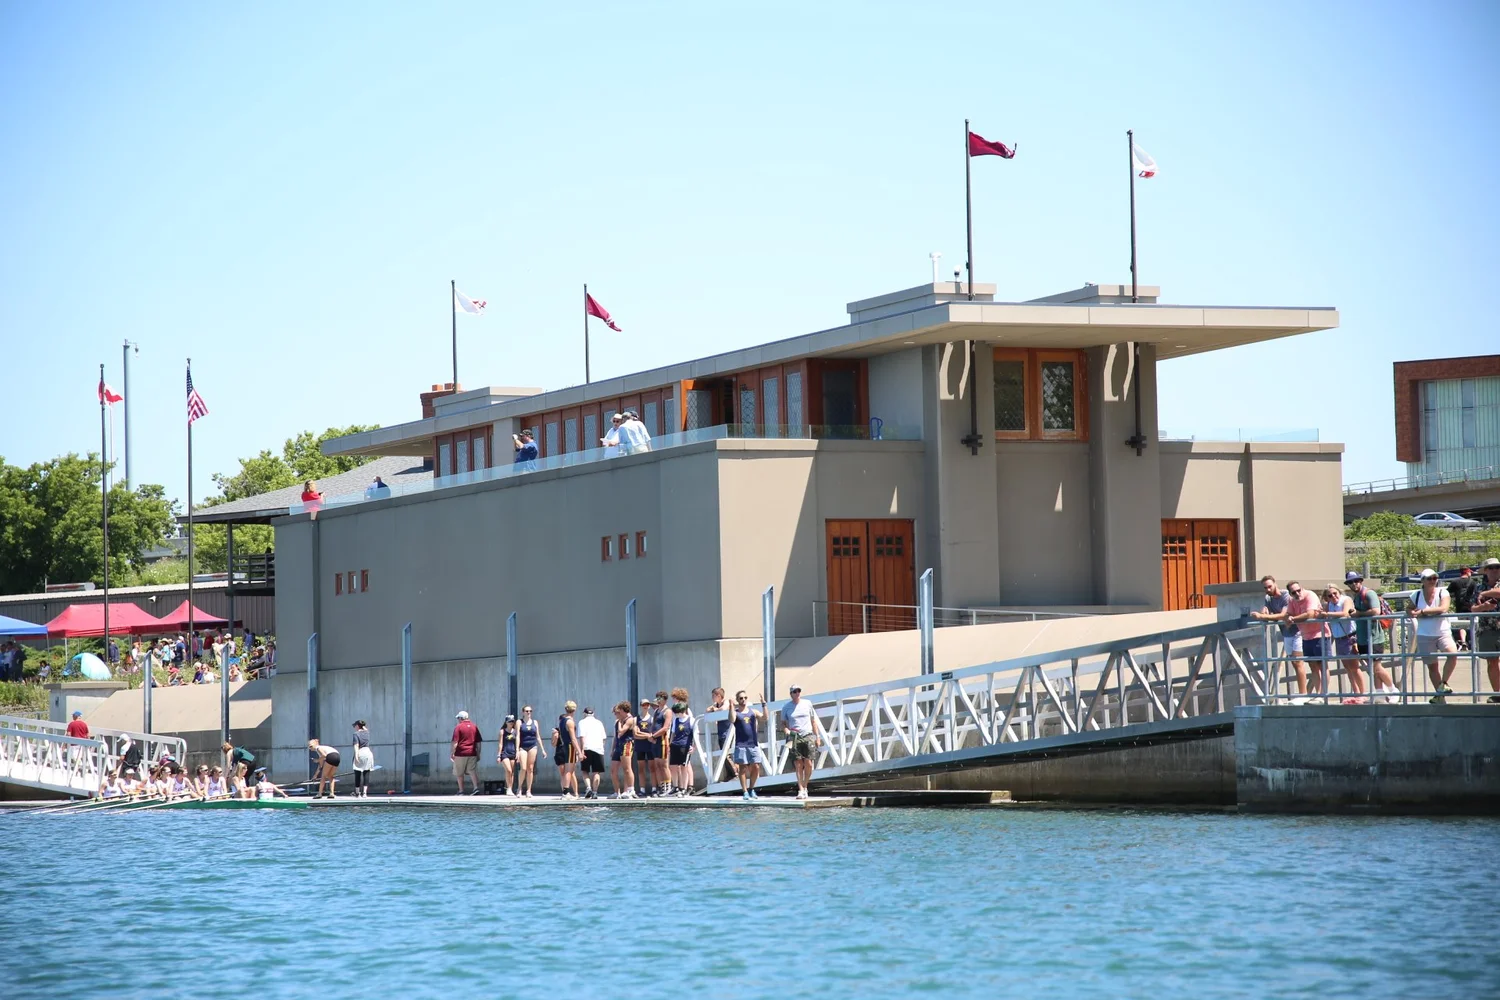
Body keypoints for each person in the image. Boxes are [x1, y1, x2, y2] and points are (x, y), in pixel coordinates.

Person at [1346, 572, 1399, 698]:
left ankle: (1393, 690)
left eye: (1356, 581)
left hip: (1374, 637)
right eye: (1350, 582)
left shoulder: (1369, 593)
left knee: (1376, 666)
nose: (1354, 584)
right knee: (1372, 667)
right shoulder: (1357, 596)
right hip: (1363, 638)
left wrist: (1359, 613)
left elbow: (1376, 611)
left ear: (1361, 581)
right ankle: (1380, 693)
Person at [1249, 575, 1305, 690]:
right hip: (1286, 633)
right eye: (1265, 588)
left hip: (1297, 632)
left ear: (1275, 584)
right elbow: (1267, 612)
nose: (1268, 589)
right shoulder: (1268, 598)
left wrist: (1262, 615)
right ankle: (1302, 693)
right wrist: (1264, 612)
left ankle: (1303, 694)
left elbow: (1284, 615)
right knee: (1294, 663)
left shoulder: (1286, 596)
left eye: (1269, 586)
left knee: (1298, 662)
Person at [1411, 568, 1458, 702]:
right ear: (1423, 581)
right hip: (1424, 634)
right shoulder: (1416, 595)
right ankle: (1440, 697)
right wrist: (1412, 612)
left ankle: (1443, 684)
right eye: (1429, 578)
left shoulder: (1443, 592)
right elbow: (1409, 608)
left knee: (1452, 654)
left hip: (1442, 632)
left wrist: (1423, 612)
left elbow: (1444, 608)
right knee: (1432, 666)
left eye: (1435, 578)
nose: (1433, 581)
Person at [1319, 584, 1364, 696]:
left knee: (1354, 667)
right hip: (1339, 639)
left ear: (1339, 592)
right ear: (1326, 598)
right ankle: (1356, 692)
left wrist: (1327, 614)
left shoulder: (1346, 600)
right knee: (1348, 668)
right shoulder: (1329, 605)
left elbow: (1345, 613)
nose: (1333, 596)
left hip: (1350, 637)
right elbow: (1320, 614)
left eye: (1335, 593)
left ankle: (1363, 694)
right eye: (1330, 595)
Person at [781, 684, 822, 800]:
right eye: (794, 691)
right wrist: (786, 730)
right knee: (798, 764)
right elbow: (783, 723)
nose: (797, 693)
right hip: (795, 736)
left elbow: (813, 721)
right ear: (791, 694)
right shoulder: (786, 707)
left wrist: (817, 736)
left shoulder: (807, 703)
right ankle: (801, 789)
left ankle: (805, 786)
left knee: (809, 763)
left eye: (798, 691)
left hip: (807, 735)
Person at [1471, 557, 1500, 703]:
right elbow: (1472, 608)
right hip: (1487, 629)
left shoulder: (1485, 590)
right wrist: (1484, 607)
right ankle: (1498, 694)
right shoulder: (1478, 587)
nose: (1495, 570)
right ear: (1486, 571)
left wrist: (1484, 594)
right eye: (1492, 567)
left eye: (1497, 567)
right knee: (1492, 662)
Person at [731, 690, 766, 799]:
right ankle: (745, 791)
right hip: (741, 744)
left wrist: (764, 704)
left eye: (745, 697)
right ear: (738, 700)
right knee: (742, 768)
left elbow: (764, 718)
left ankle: (751, 789)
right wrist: (731, 706)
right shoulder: (736, 713)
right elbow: (731, 719)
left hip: (753, 744)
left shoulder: (753, 712)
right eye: (741, 698)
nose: (743, 700)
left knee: (756, 766)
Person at [643, 690, 672, 796]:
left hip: (662, 741)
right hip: (654, 741)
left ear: (665, 700)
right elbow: (653, 725)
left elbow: (665, 728)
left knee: (664, 765)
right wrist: (651, 735)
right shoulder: (656, 711)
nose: (658, 701)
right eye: (657, 699)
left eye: (660, 699)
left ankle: (668, 788)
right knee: (657, 765)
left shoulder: (667, 711)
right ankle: (661, 787)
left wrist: (654, 736)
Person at [575, 706, 608, 800]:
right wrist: (601, 748)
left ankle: (588, 787)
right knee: (596, 772)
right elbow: (604, 738)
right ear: (593, 714)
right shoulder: (599, 722)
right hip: (598, 749)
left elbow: (582, 737)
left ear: (584, 714)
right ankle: (595, 792)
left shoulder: (582, 722)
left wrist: (581, 751)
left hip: (586, 748)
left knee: (585, 770)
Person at [668, 687, 695, 796]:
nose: (673, 700)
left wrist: (692, 745)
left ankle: (689, 786)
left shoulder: (685, 709)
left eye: (674, 698)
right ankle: (678, 786)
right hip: (677, 741)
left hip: (685, 741)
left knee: (686, 766)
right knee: (679, 766)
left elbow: (689, 725)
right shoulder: (676, 710)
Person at [451, 710, 483, 795]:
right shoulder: (474, 726)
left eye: (458, 718)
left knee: (459, 772)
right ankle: (476, 788)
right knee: (472, 771)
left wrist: (452, 753)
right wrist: (478, 753)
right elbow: (478, 742)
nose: (458, 720)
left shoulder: (458, 727)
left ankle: (461, 791)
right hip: (472, 752)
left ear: (461, 718)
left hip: (460, 753)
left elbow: (455, 742)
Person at [705, 687, 734, 779]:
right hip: (721, 733)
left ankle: (734, 773)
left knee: (727, 754)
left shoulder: (725, 702)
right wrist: (713, 709)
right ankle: (730, 774)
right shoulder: (716, 704)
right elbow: (707, 709)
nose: (712, 698)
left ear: (719, 696)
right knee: (723, 754)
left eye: (713, 696)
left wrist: (714, 710)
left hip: (728, 732)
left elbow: (724, 709)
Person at [609, 702, 636, 798]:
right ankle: (617, 792)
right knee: (613, 769)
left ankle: (630, 789)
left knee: (627, 768)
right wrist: (612, 749)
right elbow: (616, 736)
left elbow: (621, 731)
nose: (616, 715)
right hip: (619, 745)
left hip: (627, 744)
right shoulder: (617, 722)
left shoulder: (629, 720)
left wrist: (620, 722)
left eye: (617, 712)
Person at [1449, 566, 1479, 651]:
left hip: (1460, 605)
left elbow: (1447, 593)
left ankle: (1463, 641)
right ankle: (1474, 643)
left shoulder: (1455, 582)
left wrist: (1455, 595)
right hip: (1471, 605)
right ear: (1467, 572)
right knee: (1473, 624)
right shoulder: (1473, 582)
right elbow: (1476, 594)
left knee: (1462, 625)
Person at [554, 701, 580, 798]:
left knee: (567, 771)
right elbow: (573, 738)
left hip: (565, 746)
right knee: (569, 770)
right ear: (574, 709)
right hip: (570, 746)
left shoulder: (562, 721)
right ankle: (566, 792)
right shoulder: (570, 722)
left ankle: (565, 791)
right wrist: (579, 752)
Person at [516, 706, 542, 797]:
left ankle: (528, 790)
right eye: (527, 711)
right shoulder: (519, 722)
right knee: (523, 768)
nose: (529, 712)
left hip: (533, 746)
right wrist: (517, 750)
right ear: (523, 712)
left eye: (530, 711)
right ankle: (519, 788)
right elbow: (518, 736)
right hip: (523, 747)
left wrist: (542, 749)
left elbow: (538, 736)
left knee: (530, 768)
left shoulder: (535, 722)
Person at [632, 698, 656, 796]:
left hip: (650, 746)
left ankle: (654, 788)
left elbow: (653, 733)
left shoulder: (653, 718)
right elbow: (635, 734)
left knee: (652, 768)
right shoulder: (635, 719)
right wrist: (647, 735)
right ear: (641, 706)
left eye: (647, 705)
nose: (645, 707)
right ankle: (642, 789)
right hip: (640, 746)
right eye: (643, 705)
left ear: (649, 706)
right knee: (641, 768)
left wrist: (646, 735)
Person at [496, 715, 520, 795]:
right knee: (508, 770)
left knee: (512, 772)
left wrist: (517, 752)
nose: (511, 723)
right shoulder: (502, 731)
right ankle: (508, 788)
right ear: (506, 722)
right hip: (504, 753)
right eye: (509, 721)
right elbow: (500, 744)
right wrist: (499, 755)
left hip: (512, 752)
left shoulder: (515, 731)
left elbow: (517, 743)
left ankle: (510, 788)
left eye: (512, 721)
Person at [351, 720, 374, 797]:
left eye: (355, 726)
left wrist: (356, 756)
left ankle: (357, 793)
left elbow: (356, 746)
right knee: (366, 773)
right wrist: (363, 725)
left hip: (360, 752)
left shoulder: (355, 734)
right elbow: (366, 729)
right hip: (368, 753)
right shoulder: (367, 733)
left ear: (357, 726)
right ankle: (365, 793)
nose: (354, 727)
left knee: (357, 773)